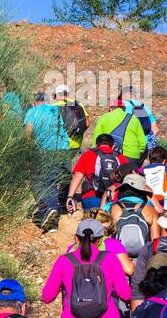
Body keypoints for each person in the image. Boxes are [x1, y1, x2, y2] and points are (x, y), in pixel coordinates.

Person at [22, 90, 74, 231]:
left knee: (39, 182)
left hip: (45, 152)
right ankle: (51, 218)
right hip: (63, 151)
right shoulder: (55, 111)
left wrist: (26, 150)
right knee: (54, 181)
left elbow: (28, 132)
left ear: (35, 102)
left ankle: (50, 210)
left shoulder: (33, 111)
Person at [67, 133, 131, 215]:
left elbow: (77, 176)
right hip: (113, 198)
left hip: (91, 196)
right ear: (113, 146)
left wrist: (70, 196)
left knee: (91, 221)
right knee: (111, 222)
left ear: (96, 144)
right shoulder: (120, 157)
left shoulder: (88, 154)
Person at [92, 86, 159, 163]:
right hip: (138, 151)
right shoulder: (145, 108)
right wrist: (143, 144)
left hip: (119, 149)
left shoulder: (121, 107)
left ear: (122, 95)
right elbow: (156, 130)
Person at [108, 172, 162, 257]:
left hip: (118, 256)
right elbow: (155, 243)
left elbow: (106, 240)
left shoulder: (111, 208)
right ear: (143, 192)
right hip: (142, 257)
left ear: (122, 190)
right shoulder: (151, 211)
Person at [52, 84, 89, 153]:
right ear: (68, 94)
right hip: (76, 145)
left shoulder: (54, 106)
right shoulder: (78, 104)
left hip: (60, 146)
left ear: (57, 95)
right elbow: (87, 123)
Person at [140, 145, 167, 212]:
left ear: (148, 160)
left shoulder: (140, 171)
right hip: (165, 207)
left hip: (146, 206)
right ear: (164, 161)